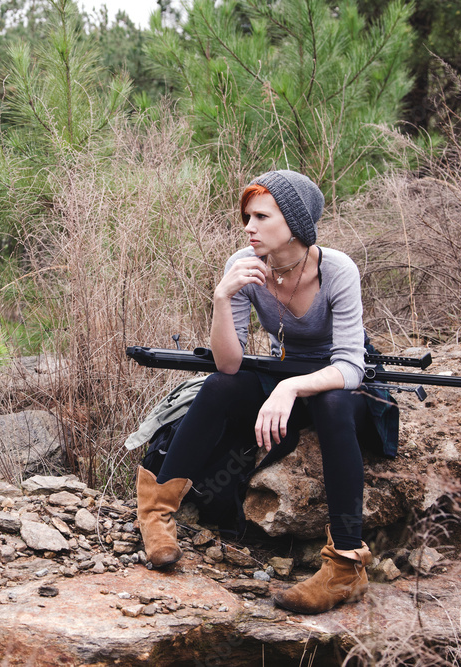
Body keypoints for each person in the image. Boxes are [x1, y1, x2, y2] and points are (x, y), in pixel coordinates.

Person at [135, 169, 378, 615]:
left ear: (296, 223)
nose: (249, 226)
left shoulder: (337, 269)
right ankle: (157, 513)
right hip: (276, 374)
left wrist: (289, 387)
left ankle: (345, 566)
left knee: (333, 402)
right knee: (220, 385)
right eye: (247, 215)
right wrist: (222, 299)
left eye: (261, 216)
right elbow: (230, 362)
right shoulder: (243, 265)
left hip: (331, 386)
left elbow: (350, 366)